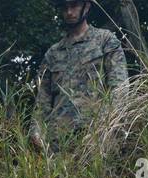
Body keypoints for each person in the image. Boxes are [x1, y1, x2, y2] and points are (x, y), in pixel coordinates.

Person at [29, 0, 129, 149]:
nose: (69, 12)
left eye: (74, 6)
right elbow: (42, 100)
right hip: (58, 144)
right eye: (65, 7)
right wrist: (36, 132)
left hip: (97, 138)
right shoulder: (53, 53)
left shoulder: (105, 40)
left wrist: (108, 127)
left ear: (86, 6)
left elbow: (120, 87)